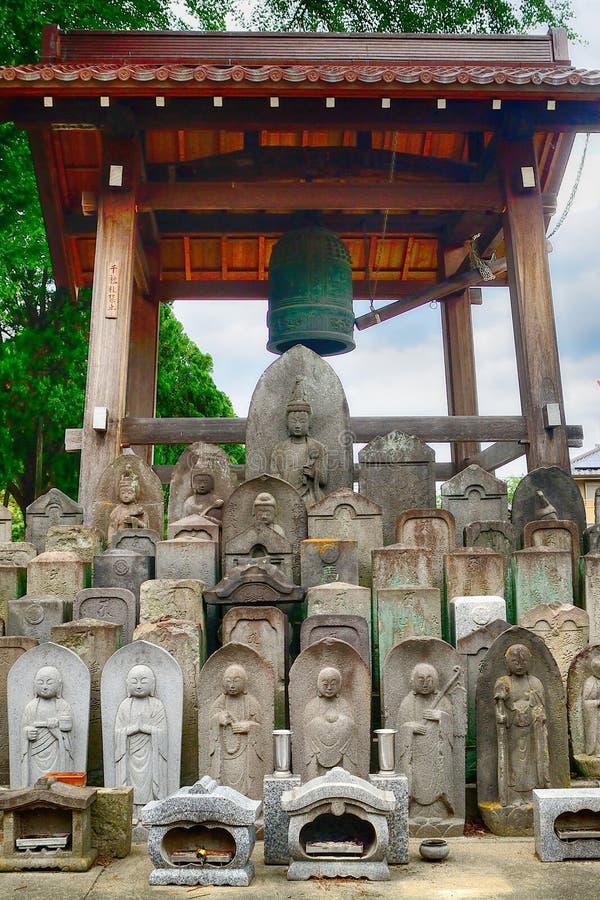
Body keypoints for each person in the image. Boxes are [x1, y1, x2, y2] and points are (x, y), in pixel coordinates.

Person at [396, 663, 456, 819]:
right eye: (420, 679)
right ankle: (415, 811)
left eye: (429, 679)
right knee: (416, 780)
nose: (425, 683)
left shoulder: (443, 701)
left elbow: (451, 728)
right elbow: (400, 730)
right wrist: (410, 727)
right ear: (413, 681)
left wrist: (441, 717)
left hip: (436, 753)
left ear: (435, 681)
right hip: (416, 754)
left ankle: (439, 811)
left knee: (437, 780)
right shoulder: (407, 703)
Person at [494, 643, 550, 805]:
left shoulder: (535, 683)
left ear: (530, 662)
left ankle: (531, 795)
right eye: (514, 661)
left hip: (532, 732)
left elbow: (541, 709)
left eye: (523, 661)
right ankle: (514, 796)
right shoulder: (504, 682)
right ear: (507, 663)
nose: (519, 664)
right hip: (513, 733)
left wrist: (535, 712)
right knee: (514, 764)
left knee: (531, 765)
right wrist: (507, 711)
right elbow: (499, 709)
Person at [114, 665, 168, 821]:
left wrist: (145, 728)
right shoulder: (125, 705)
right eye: (134, 681)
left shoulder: (157, 705)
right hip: (129, 754)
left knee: (149, 785)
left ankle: (150, 815)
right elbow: (118, 731)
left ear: (152, 684)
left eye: (143, 681)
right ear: (127, 684)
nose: (138, 685)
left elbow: (162, 731)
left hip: (150, 754)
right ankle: (132, 815)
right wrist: (132, 729)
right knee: (130, 783)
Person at [270, 377, 328, 505]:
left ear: (309, 424)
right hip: (285, 498)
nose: (297, 425)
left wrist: (314, 473)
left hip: (309, 497)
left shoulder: (318, 447)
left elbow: (324, 479)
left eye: (302, 421)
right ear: (287, 423)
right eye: (293, 421)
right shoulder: (279, 449)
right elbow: (274, 478)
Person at [208, 664, 263, 798]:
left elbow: (260, 728)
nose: (231, 685)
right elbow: (211, 721)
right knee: (224, 778)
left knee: (245, 779)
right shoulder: (220, 702)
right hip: (225, 753)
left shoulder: (251, 703)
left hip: (245, 753)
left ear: (244, 682)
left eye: (236, 681)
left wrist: (249, 726)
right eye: (228, 681)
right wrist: (218, 719)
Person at [21, 666, 73, 786]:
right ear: (35, 685)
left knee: (56, 781)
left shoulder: (63, 705)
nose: (44, 686)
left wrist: (56, 729)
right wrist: (27, 733)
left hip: (56, 751)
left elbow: (68, 730)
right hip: (35, 751)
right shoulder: (31, 707)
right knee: (35, 781)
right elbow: (23, 728)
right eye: (40, 682)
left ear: (59, 686)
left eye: (49, 683)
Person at [303, 666, 357, 779]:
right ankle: (312, 776)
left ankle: (350, 776)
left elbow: (351, 726)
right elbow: (307, 728)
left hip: (341, 744)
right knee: (312, 726)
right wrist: (321, 723)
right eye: (325, 684)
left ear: (339, 685)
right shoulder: (312, 705)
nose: (329, 688)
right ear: (318, 684)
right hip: (317, 745)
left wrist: (340, 721)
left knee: (348, 725)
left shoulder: (343, 704)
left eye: (333, 684)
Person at [108, 464, 149, 541]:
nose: (126, 496)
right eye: (123, 493)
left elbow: (147, 529)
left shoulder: (140, 511)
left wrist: (137, 522)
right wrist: (110, 542)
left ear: (135, 494)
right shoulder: (116, 511)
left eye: (129, 493)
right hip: (119, 543)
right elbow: (112, 527)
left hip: (135, 543)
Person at [583, 654, 600, 757]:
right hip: (596, 714)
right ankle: (597, 751)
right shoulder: (590, 682)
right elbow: (586, 701)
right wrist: (597, 703)